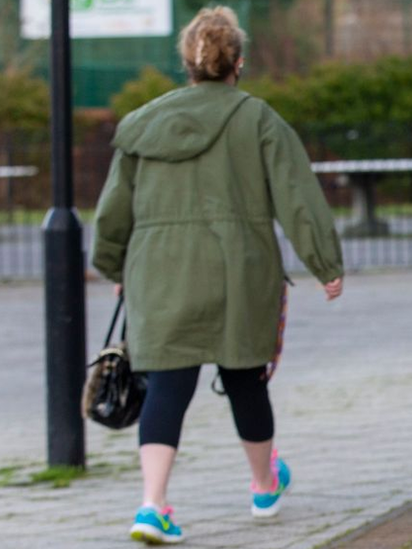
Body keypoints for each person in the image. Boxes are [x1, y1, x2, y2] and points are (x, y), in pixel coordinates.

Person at [91, 6, 344, 545]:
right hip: (239, 270)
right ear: (239, 64)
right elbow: (297, 196)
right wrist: (325, 265)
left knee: (167, 385)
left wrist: (114, 265)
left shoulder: (141, 125)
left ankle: (152, 505)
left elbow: (115, 208)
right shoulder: (258, 120)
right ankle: (262, 487)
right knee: (243, 379)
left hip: (160, 272)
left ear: (187, 62)